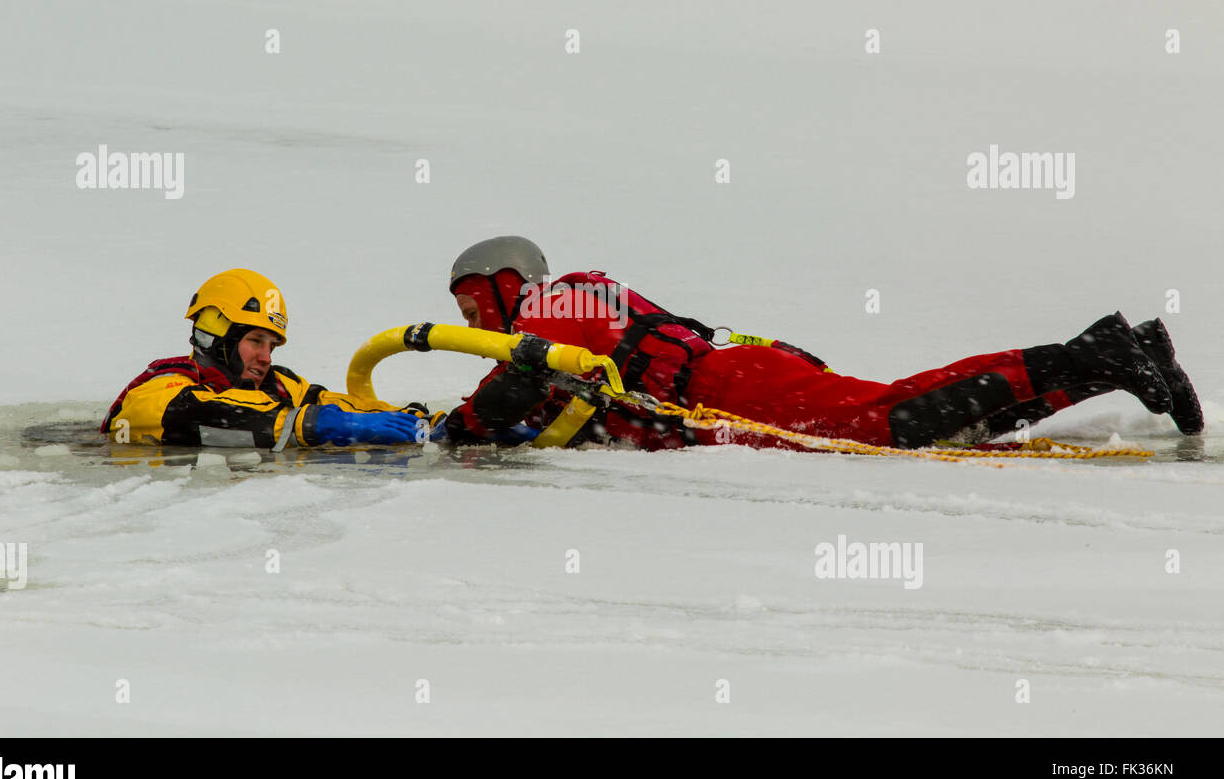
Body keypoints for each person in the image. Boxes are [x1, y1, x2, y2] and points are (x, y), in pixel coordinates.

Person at [442, 236, 1203, 450]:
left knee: (892, 419)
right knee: (934, 431)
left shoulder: (554, 299)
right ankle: (1117, 362)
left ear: (510, 282)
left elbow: (515, 382)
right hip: (729, 384)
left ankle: (1093, 355)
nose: (476, 324)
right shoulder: (582, 303)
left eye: (475, 303)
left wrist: (458, 431)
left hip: (728, 387)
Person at [101, 269, 427, 448]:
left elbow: (339, 404)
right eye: (256, 341)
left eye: (272, 346)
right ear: (218, 338)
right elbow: (203, 414)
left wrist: (419, 420)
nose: (265, 357)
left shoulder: (280, 385)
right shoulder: (163, 389)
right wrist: (312, 424)